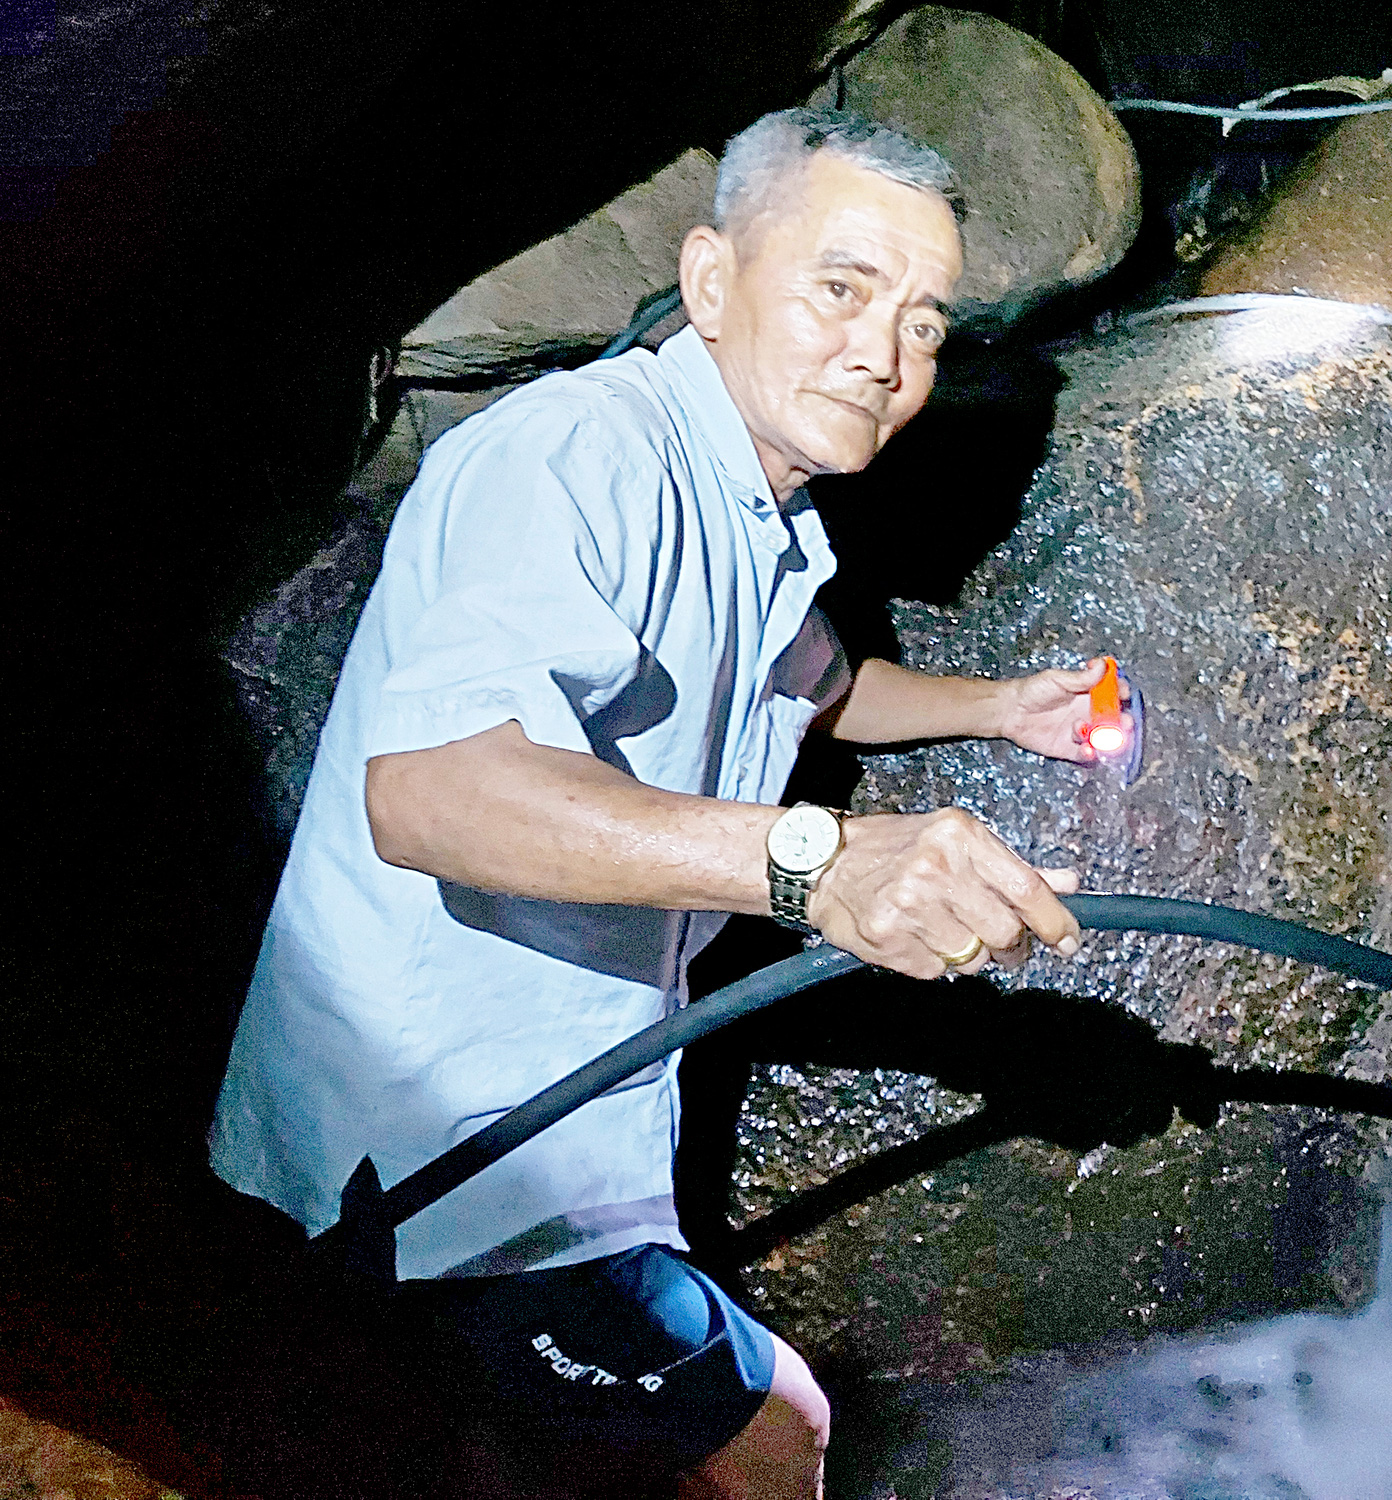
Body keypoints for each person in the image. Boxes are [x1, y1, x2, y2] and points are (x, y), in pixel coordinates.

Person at [209, 108, 1127, 1499]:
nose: (886, 353)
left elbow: (815, 686)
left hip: (562, 1141)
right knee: (777, 1438)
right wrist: (820, 861)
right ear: (710, 280)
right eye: (841, 287)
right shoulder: (574, 458)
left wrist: (1004, 706)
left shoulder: (755, 513)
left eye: (927, 321)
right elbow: (435, 791)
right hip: (446, 1159)